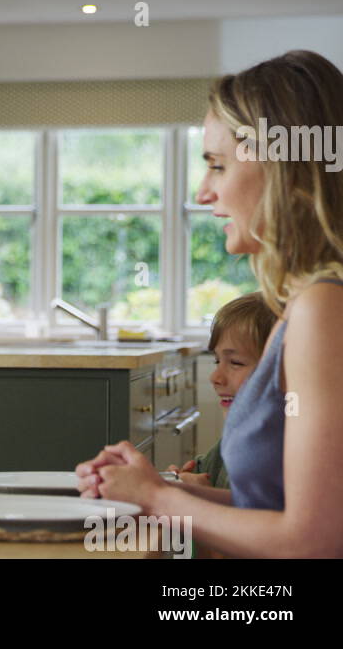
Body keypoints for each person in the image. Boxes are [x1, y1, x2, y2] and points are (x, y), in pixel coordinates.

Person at [76, 50, 343, 558]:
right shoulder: (306, 302)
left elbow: (316, 542)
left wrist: (154, 498)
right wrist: (171, 489)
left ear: (285, 167)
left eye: (218, 166)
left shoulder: (323, 310)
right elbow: (283, 505)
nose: (202, 192)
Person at [170, 292, 276, 489]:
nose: (215, 378)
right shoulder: (237, 433)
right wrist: (180, 479)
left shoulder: (275, 452)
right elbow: (201, 471)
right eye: (217, 361)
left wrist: (198, 495)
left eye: (235, 363)